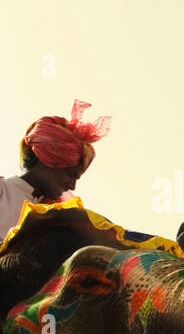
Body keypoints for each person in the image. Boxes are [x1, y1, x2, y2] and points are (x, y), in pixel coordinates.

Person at [1, 100, 111, 236]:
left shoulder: (58, 216)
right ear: (48, 162)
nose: (72, 187)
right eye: (71, 175)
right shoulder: (3, 191)